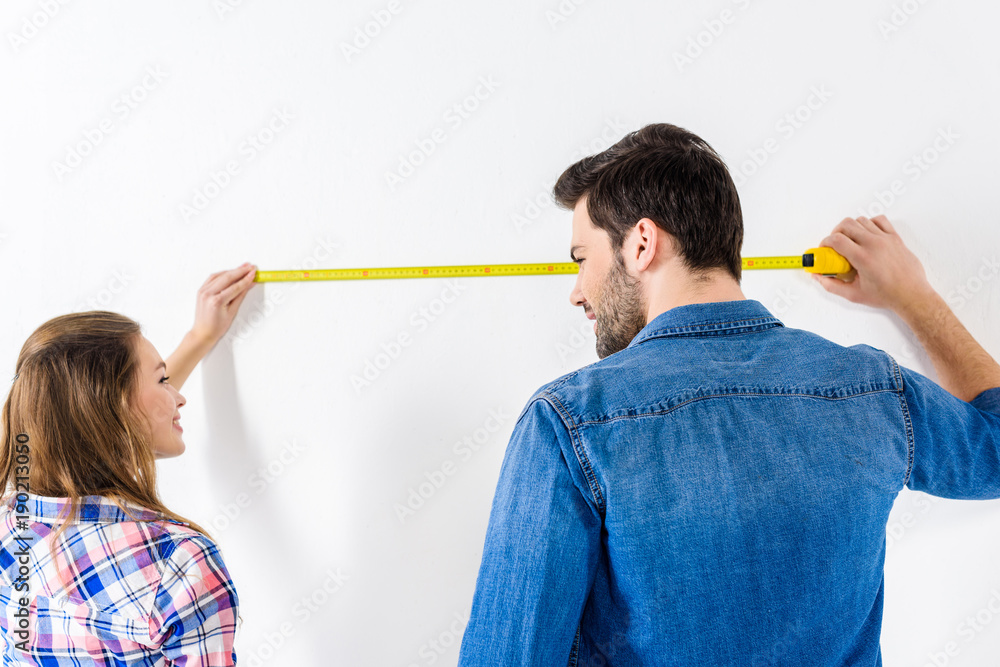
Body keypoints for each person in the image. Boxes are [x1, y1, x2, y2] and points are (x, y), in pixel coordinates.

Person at [456, 123, 1000, 665]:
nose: (577, 291)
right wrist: (915, 297)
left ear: (642, 243)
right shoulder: (869, 389)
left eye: (581, 258)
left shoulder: (571, 421)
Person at [0, 264, 257, 665]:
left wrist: (199, 338)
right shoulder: (178, 562)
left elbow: (113, 422)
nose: (179, 398)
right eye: (161, 381)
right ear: (115, 411)